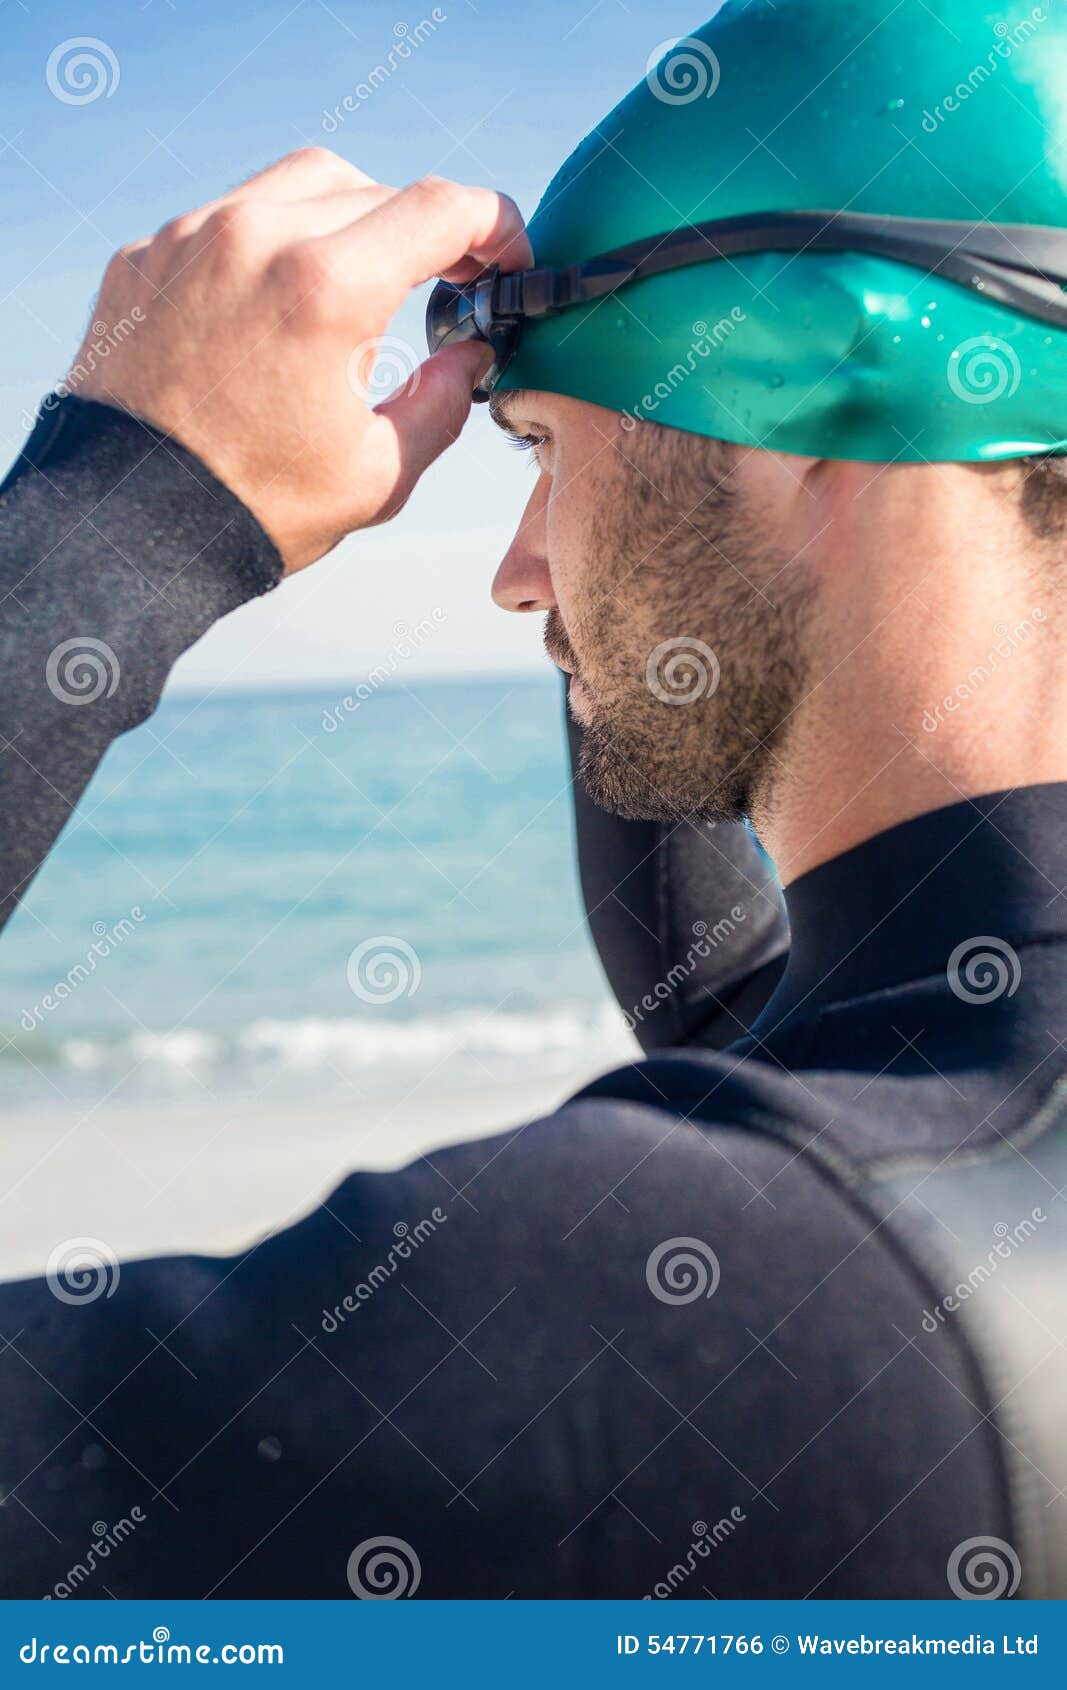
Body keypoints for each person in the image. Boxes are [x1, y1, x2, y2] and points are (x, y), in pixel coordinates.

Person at [1, 0, 1065, 1600]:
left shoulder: (676, 1313)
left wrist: (122, 505)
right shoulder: (932, 1145)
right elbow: (762, 1016)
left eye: (546, 451)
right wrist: (643, 606)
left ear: (815, 400)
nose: (515, 573)